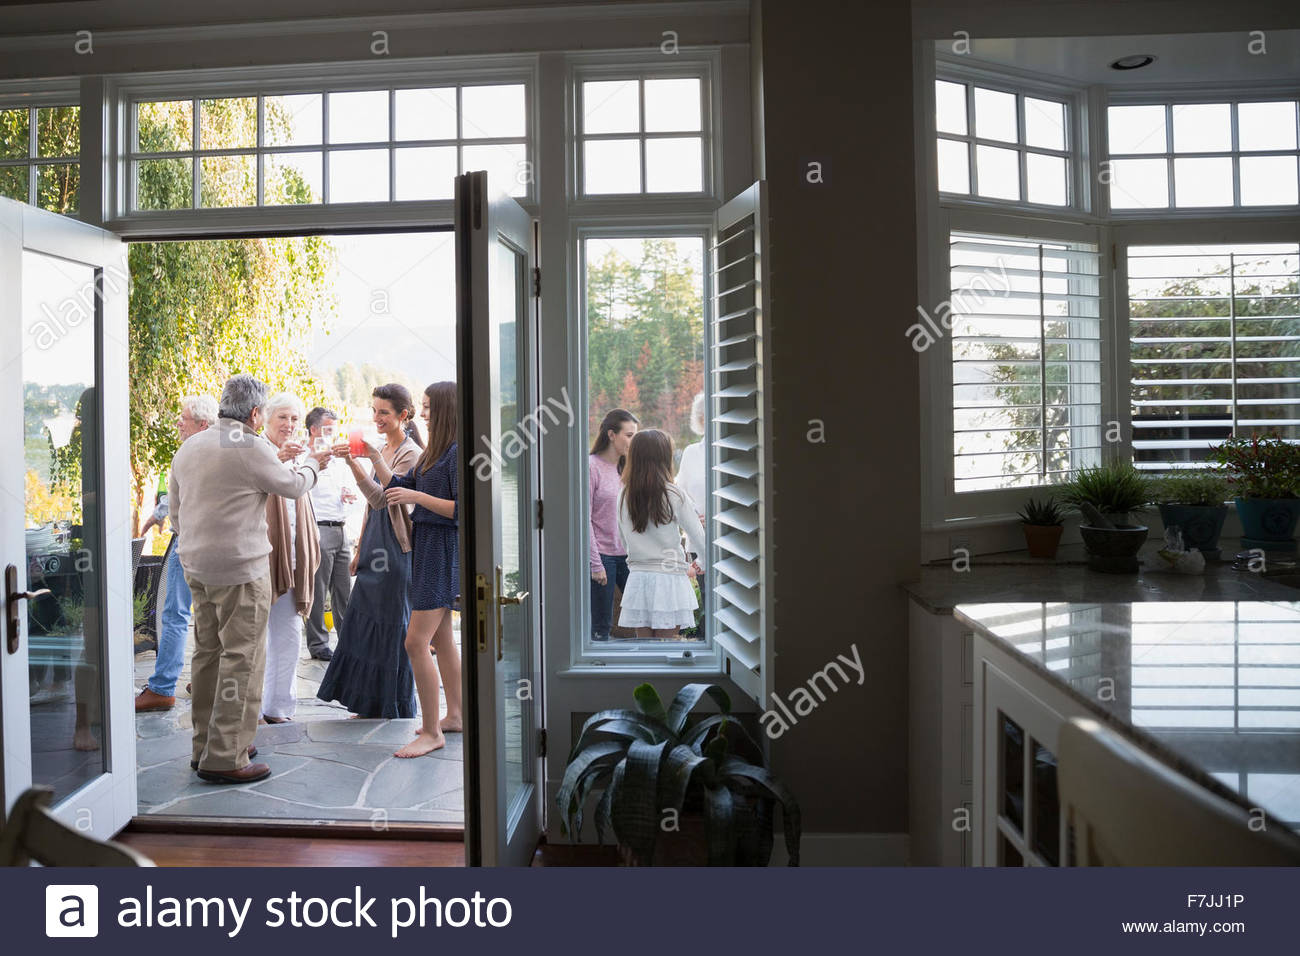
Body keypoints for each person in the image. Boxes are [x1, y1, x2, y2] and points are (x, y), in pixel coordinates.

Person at [169, 374, 329, 784]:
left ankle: (205, 744)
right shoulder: (249, 443)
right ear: (256, 413)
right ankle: (226, 755)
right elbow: (292, 486)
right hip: (240, 569)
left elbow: (175, 511)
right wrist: (314, 462)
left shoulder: (191, 445)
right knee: (243, 659)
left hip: (197, 567)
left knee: (207, 655)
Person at [317, 384, 422, 719]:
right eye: (374, 411)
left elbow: (389, 496)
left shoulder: (411, 453)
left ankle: (391, 703)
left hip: (396, 547)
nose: (376, 418)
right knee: (362, 624)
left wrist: (371, 457)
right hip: (375, 541)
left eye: (384, 412)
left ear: (403, 415)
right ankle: (365, 702)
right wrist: (351, 461)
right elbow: (371, 505)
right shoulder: (384, 448)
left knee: (390, 626)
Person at [379, 382, 462, 758]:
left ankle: (431, 731)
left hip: (443, 550)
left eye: (427, 407)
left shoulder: (459, 454)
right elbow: (395, 486)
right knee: (442, 639)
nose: (422, 413)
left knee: (416, 642)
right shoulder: (433, 454)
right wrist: (368, 457)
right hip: (429, 548)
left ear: (444, 409)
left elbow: (463, 510)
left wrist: (416, 497)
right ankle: (456, 715)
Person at [135, 394, 219, 712]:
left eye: (183, 418)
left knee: (174, 615)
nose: (178, 423)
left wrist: (170, 524)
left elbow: (178, 503)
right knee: (210, 615)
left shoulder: (189, 452)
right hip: (216, 546)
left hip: (188, 543)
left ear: (201, 423)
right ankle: (204, 680)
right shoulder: (224, 451)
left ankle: (162, 688)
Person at [260, 393, 322, 724]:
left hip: (293, 562)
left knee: (289, 634)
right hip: (261, 561)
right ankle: (252, 709)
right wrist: (279, 461)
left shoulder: (299, 457)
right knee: (255, 639)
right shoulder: (257, 452)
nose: (290, 424)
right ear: (266, 419)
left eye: (295, 419)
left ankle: (278, 707)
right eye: (283, 417)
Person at [616, 429, 708, 639]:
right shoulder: (673, 494)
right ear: (664, 457)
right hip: (669, 579)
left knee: (645, 650)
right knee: (665, 647)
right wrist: (700, 563)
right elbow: (698, 536)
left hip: (639, 578)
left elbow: (623, 539)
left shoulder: (623, 494)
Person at [303, 405, 358, 662]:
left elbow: (348, 491)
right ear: (313, 430)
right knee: (318, 589)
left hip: (341, 529)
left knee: (344, 590)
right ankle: (318, 644)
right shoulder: (305, 459)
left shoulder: (338, 461)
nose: (332, 435)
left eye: (334, 431)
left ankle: (348, 641)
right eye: (327, 430)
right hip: (319, 528)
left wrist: (348, 495)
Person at [589, 409, 639, 641]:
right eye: (629, 435)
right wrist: (595, 563)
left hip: (629, 556)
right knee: (601, 626)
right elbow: (585, 519)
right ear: (611, 434)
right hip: (603, 556)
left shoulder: (629, 469)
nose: (633, 441)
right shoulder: (591, 467)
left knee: (642, 618)